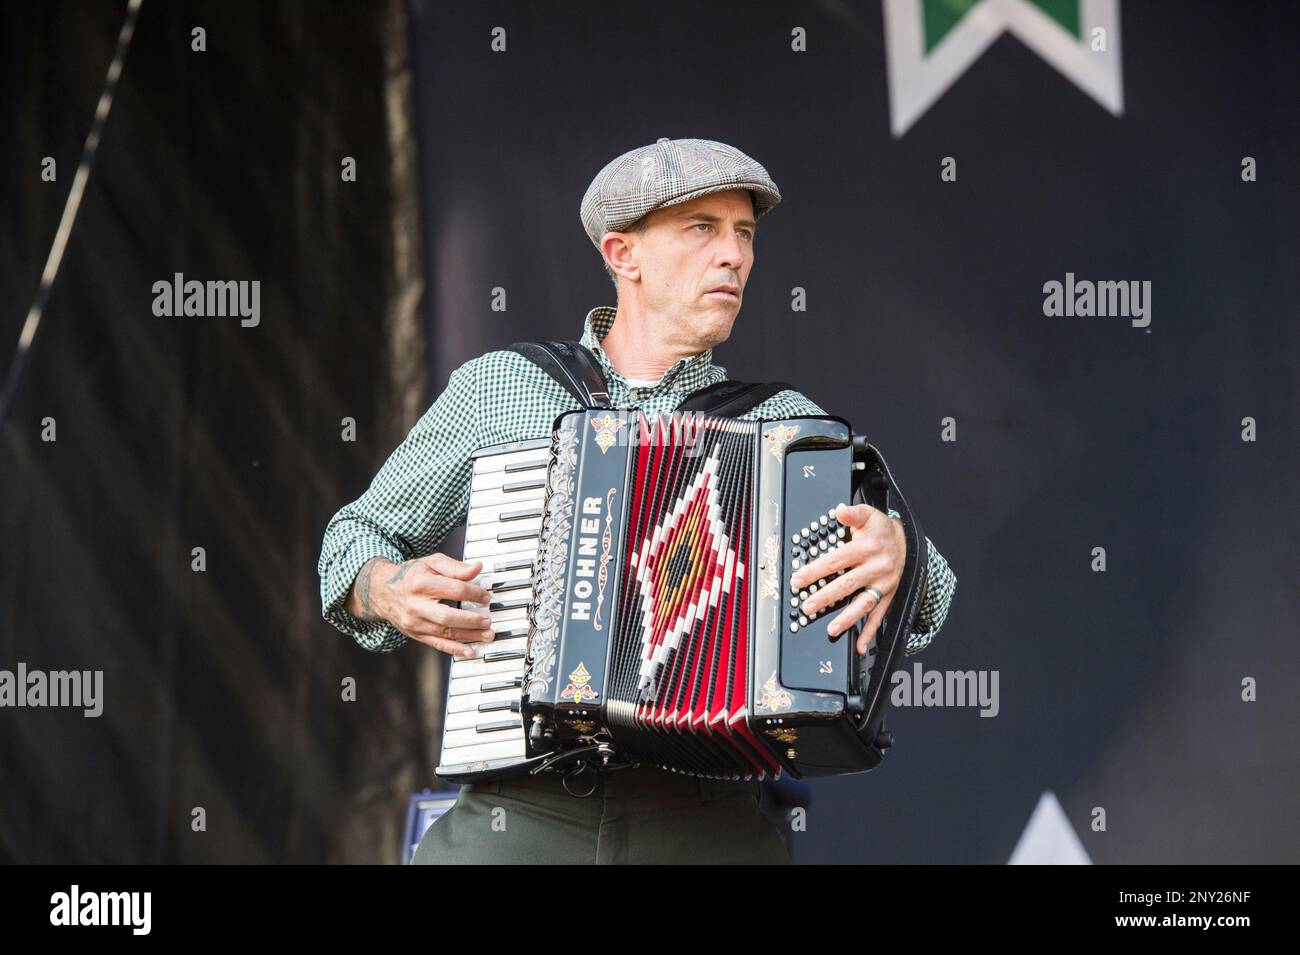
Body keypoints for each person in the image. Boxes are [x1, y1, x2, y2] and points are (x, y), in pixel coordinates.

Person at [318, 137, 958, 864]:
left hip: (705, 822)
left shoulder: (786, 428)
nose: (735, 256)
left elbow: (933, 601)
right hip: (520, 813)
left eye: (744, 233)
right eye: (702, 229)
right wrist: (386, 586)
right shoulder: (502, 387)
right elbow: (353, 536)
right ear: (623, 254)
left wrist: (900, 552)